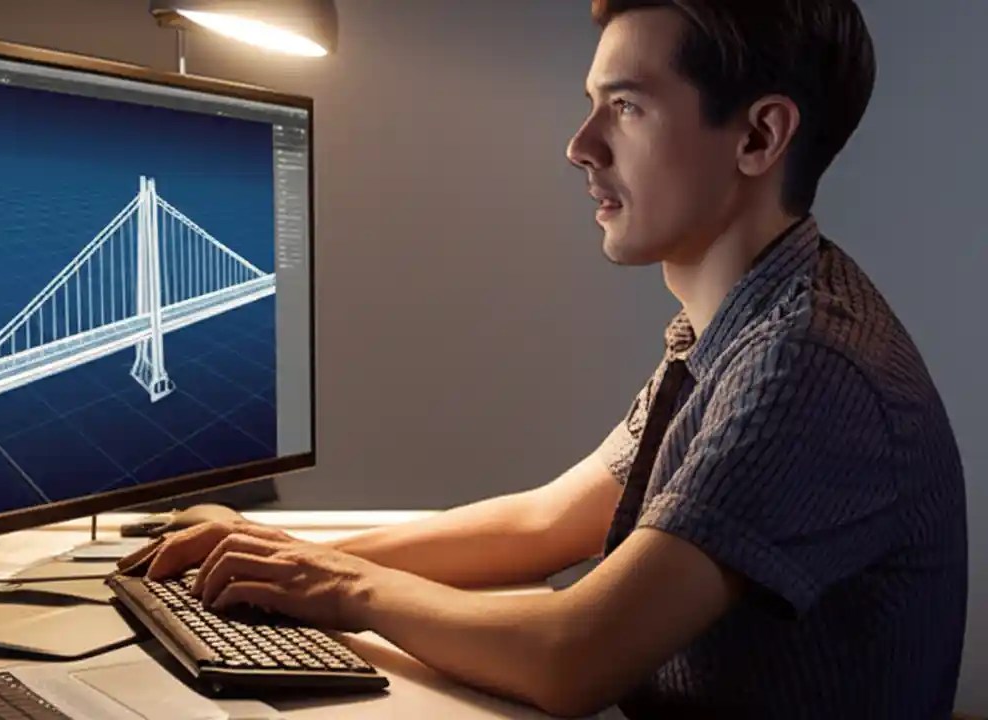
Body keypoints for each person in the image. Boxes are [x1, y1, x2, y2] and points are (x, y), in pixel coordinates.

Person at [117, 1, 968, 717]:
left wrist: (334, 584)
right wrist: (274, 552)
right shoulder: (738, 326)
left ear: (758, 136)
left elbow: (574, 655)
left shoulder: (808, 367)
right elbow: (551, 521)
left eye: (627, 107)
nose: (581, 145)